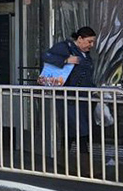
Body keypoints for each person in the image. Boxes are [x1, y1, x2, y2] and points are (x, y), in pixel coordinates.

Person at [42, 26, 97, 173]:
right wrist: (66, 60)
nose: (91, 45)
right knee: (80, 131)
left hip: (82, 99)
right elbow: (46, 56)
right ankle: (85, 167)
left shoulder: (85, 54)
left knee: (72, 132)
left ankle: (63, 161)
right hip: (69, 98)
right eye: (89, 41)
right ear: (79, 39)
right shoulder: (65, 47)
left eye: (92, 42)